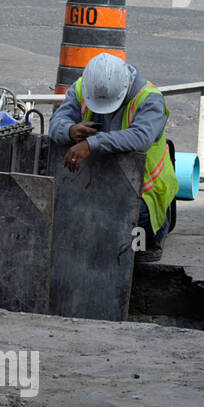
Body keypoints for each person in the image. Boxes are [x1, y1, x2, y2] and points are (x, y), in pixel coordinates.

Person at [48, 52, 178, 263]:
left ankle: (153, 235)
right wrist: (70, 130)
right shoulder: (83, 88)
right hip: (98, 184)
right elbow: (57, 122)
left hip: (144, 191)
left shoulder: (149, 99)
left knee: (132, 237)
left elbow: (141, 137)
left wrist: (92, 144)